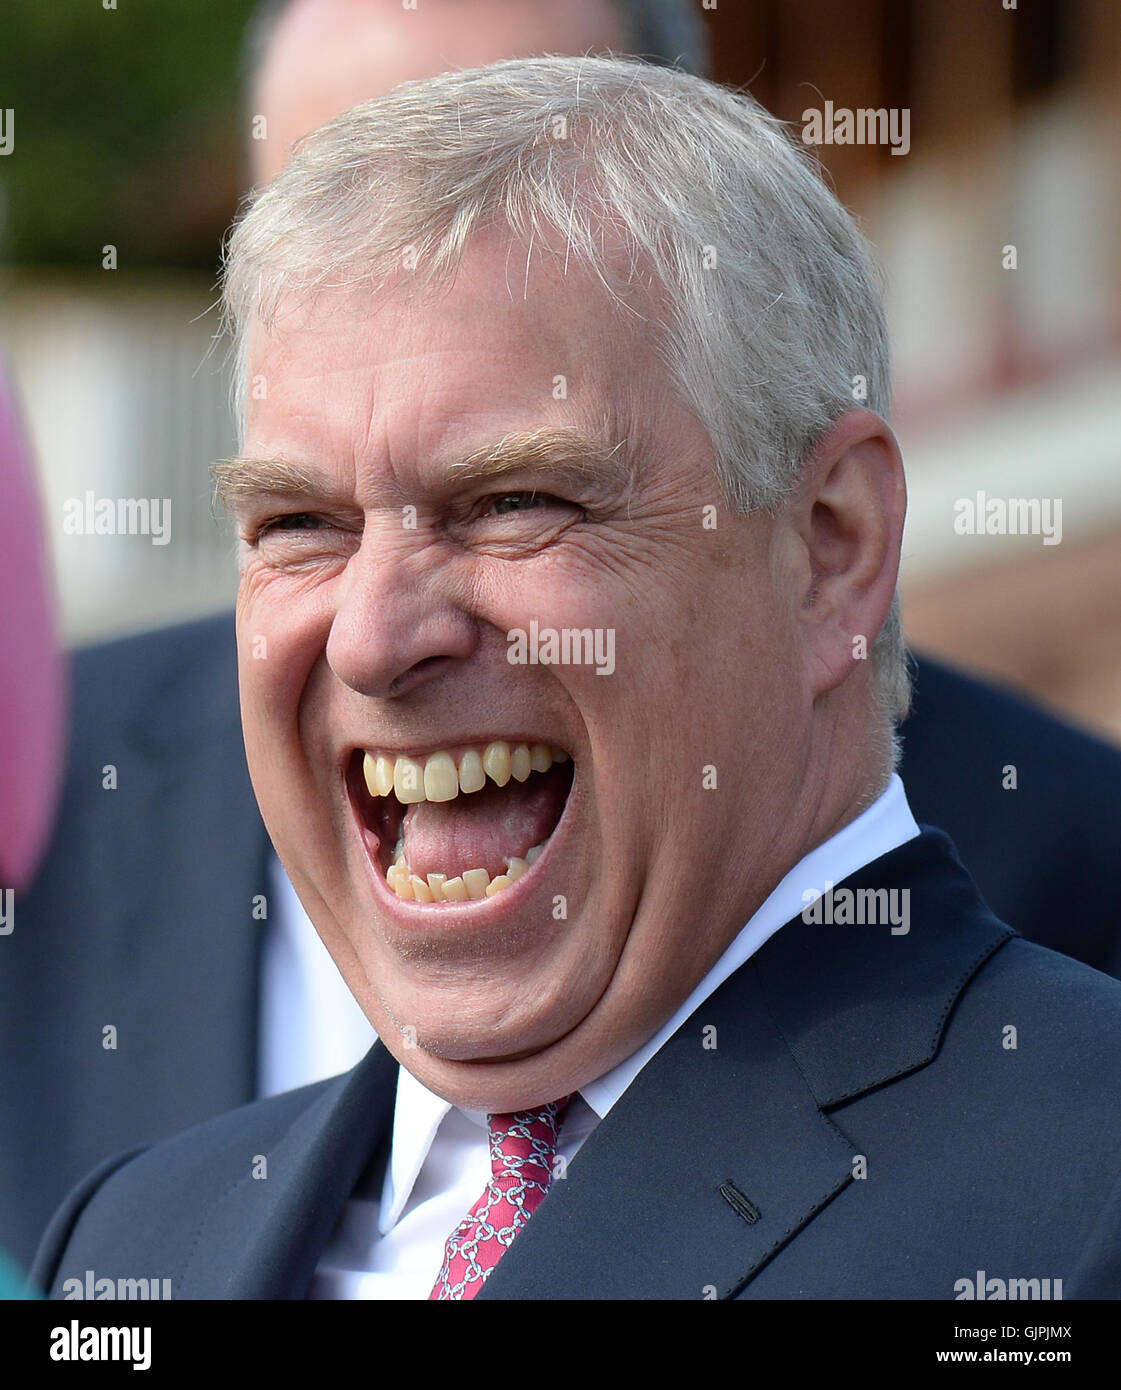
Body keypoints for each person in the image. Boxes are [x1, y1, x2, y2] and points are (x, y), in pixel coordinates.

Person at [7, 0, 1121, 1274]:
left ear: (831, 546)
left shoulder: (1083, 1190)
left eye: (514, 503)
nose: (373, 638)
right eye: (300, 523)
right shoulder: (123, 1242)